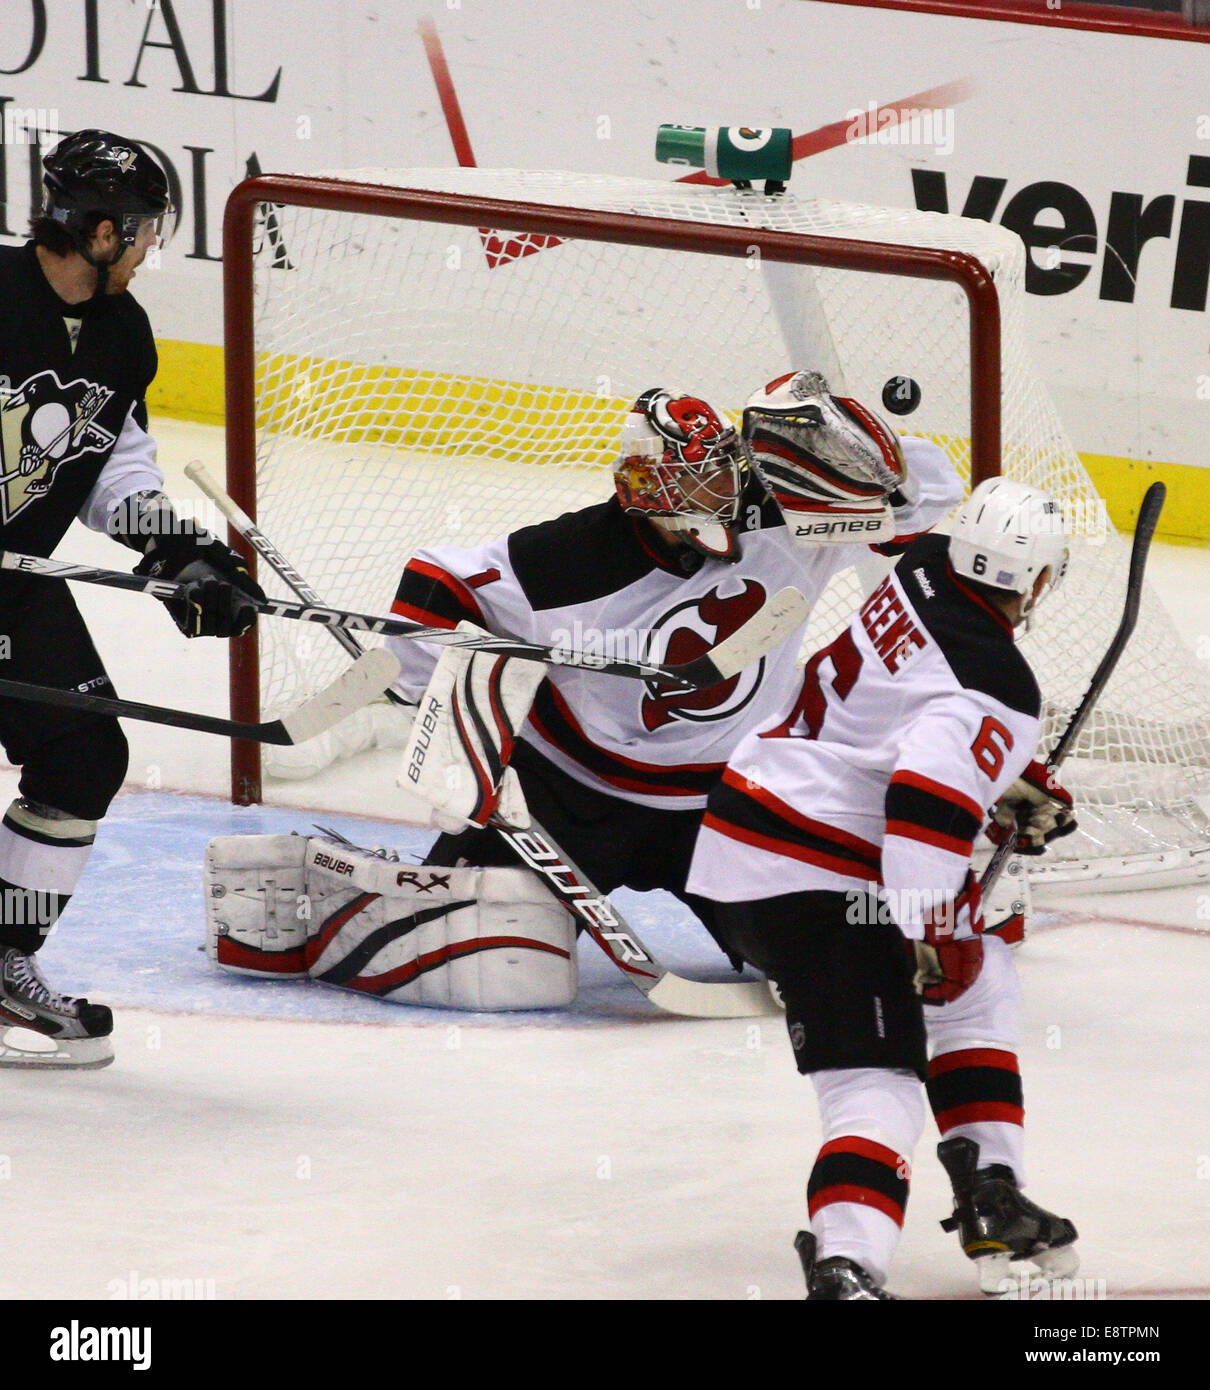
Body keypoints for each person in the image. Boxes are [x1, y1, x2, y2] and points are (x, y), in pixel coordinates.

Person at [685, 475, 1079, 1298]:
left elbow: (910, 713)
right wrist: (934, 935)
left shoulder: (924, 566)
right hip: (813, 878)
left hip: (745, 836)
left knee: (986, 981)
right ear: (1037, 581)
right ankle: (847, 1268)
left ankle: (991, 1192)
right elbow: (922, 809)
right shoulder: (996, 685)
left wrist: (1011, 775)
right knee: (878, 1081)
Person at [0, 130, 265, 1068]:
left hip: (11, 581)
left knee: (82, 751)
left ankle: (2, 961)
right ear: (101, 231)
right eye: (145, 232)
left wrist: (180, 556)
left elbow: (117, 468)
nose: (153, 247)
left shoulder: (124, 333)